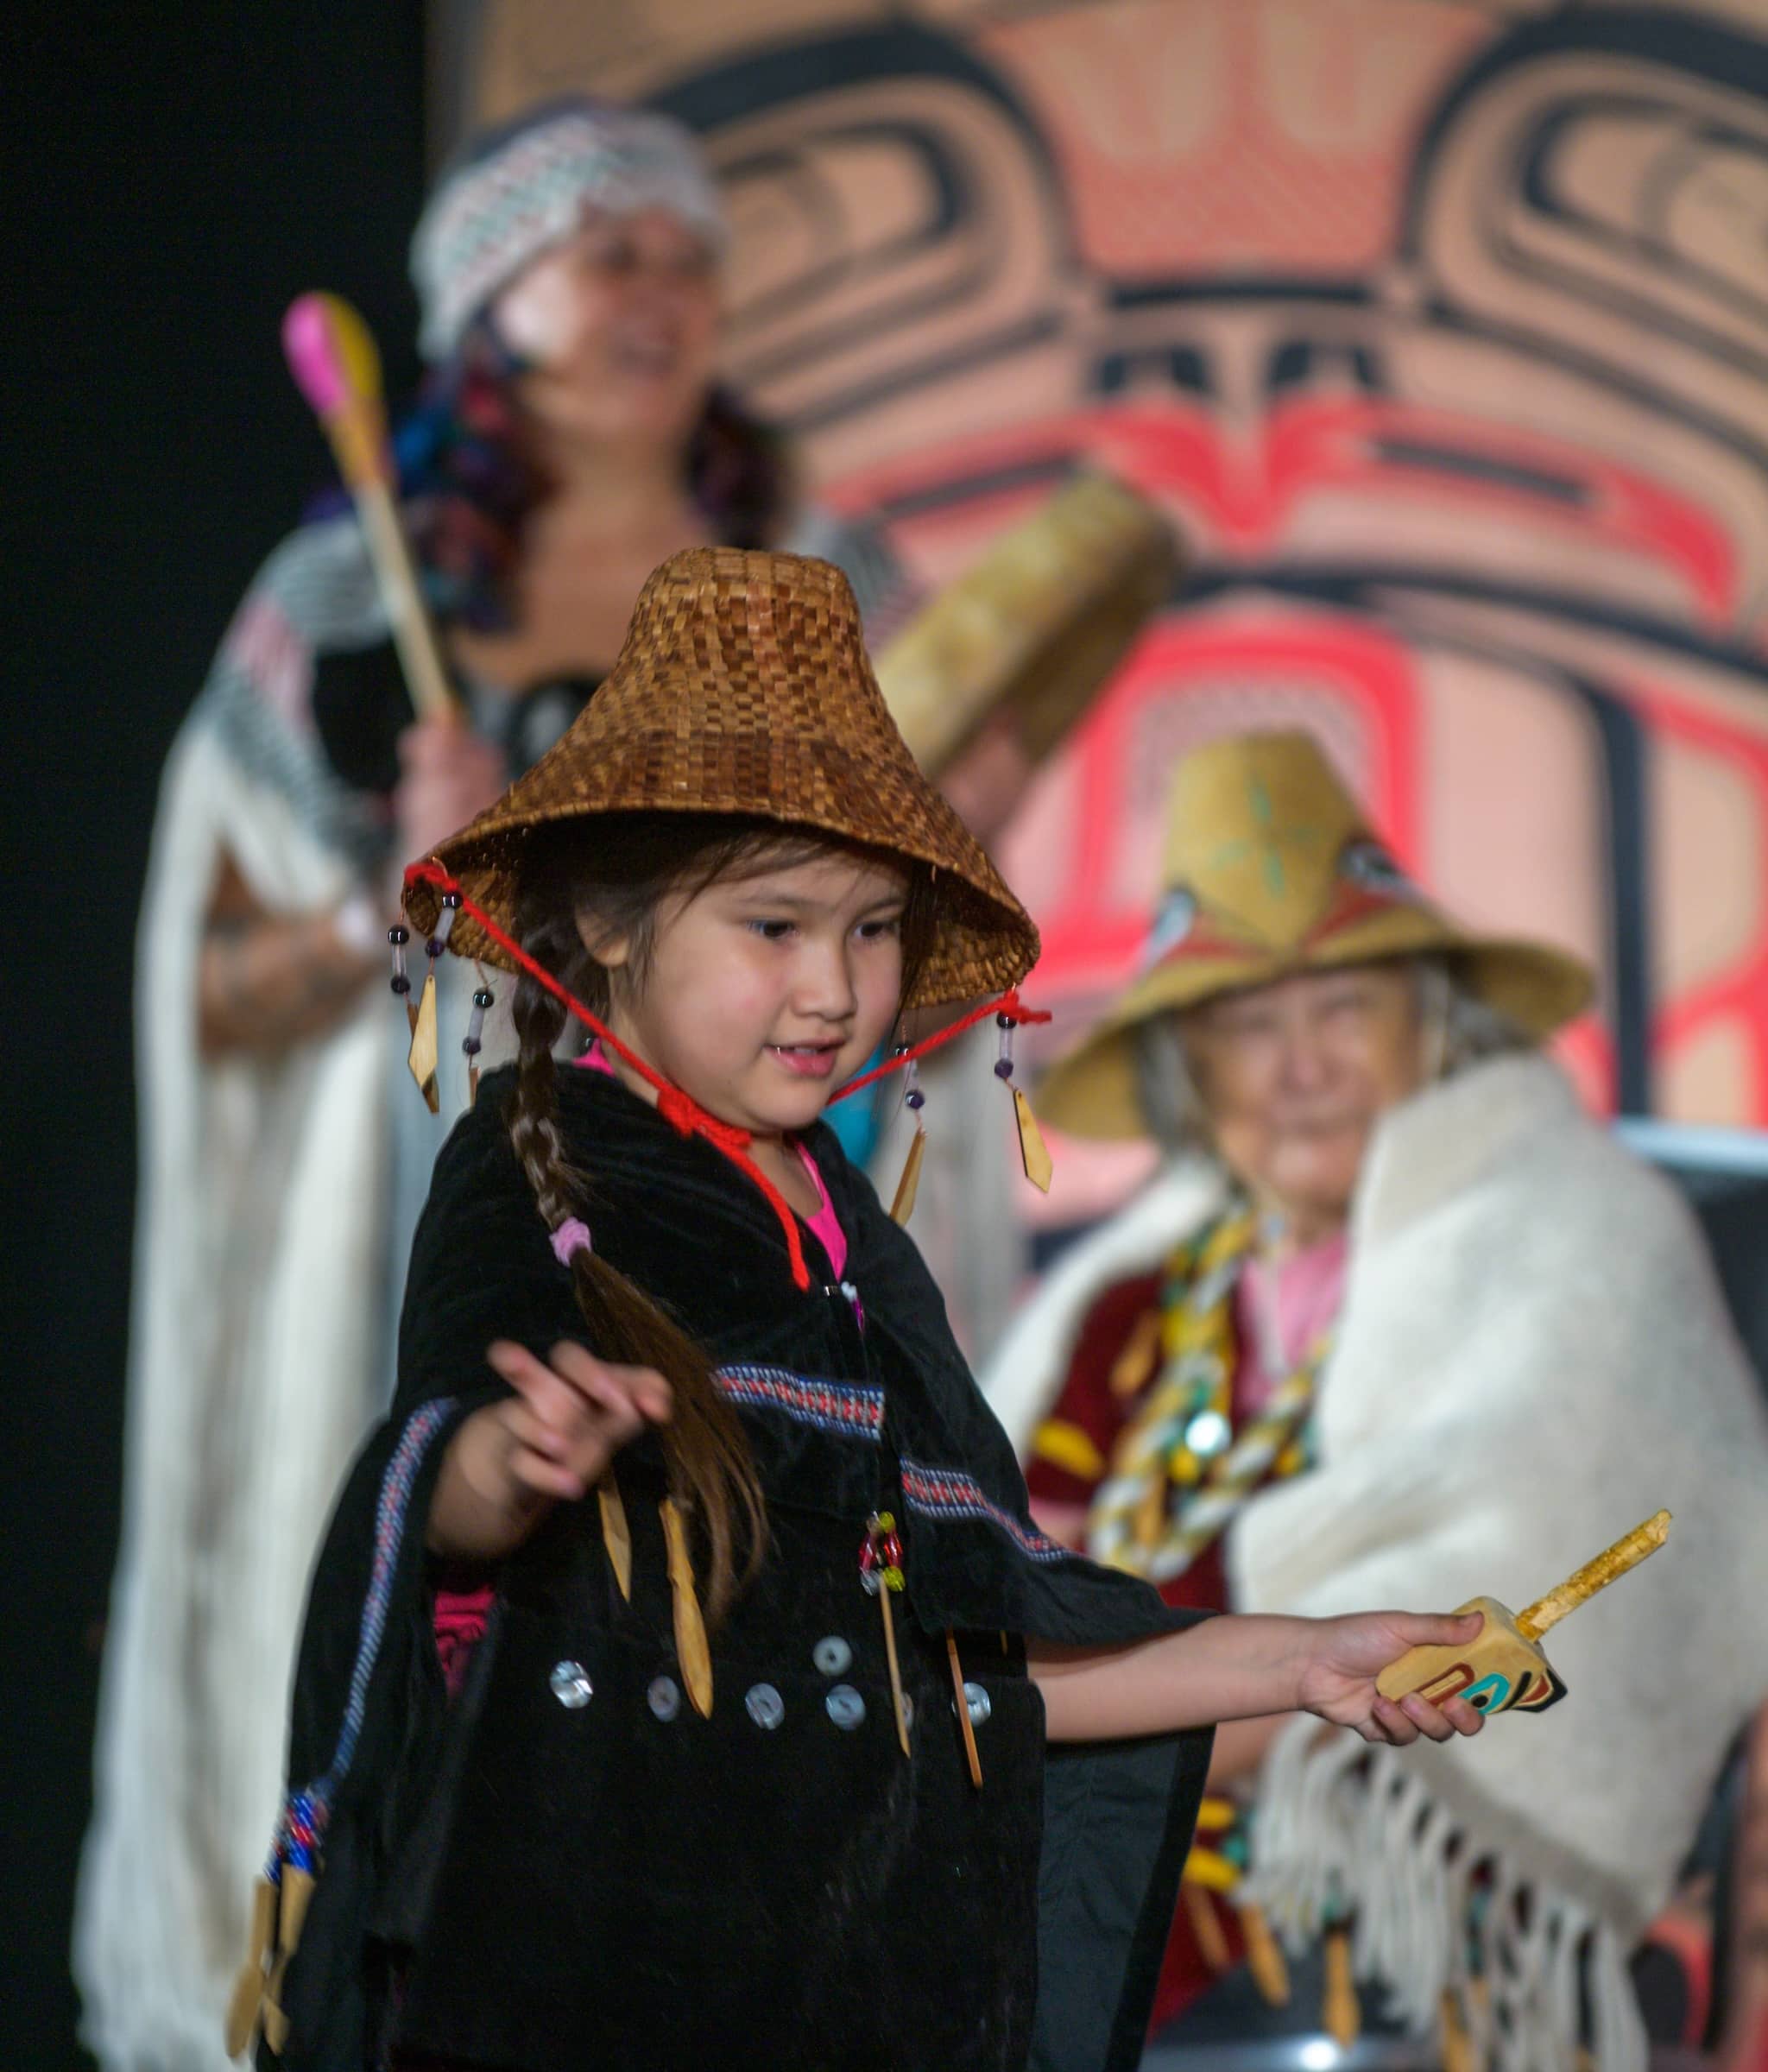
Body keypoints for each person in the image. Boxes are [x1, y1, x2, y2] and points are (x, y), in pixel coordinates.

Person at [238, 550, 1482, 2071]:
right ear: (614, 926)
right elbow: (437, 1487)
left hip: (838, 1999)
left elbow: (950, 1675)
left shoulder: (850, 1243)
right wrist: (512, 1461)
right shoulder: (529, 1166)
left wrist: (1298, 1664)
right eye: (774, 927)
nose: (835, 989)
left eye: (875, 930)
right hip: (578, 1991)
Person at [76, 98, 920, 2072]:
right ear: (487, 303)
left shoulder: (819, 587)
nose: (661, 292)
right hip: (428, 1238)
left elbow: (921, 898)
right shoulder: (347, 618)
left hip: (755, 1231)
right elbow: (191, 995)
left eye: (688, 255)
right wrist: (385, 896)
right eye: (607, 249)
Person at [980, 730, 1768, 2069]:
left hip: (1386, 1909)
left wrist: (1106, 1748)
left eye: (1343, 1007)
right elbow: (1010, 1557)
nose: (1300, 1069)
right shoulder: (1138, 1281)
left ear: (1431, 1016)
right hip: (1098, 1818)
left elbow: (1515, 1581)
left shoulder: (1579, 1229)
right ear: (1190, 1071)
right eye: (1246, 1024)